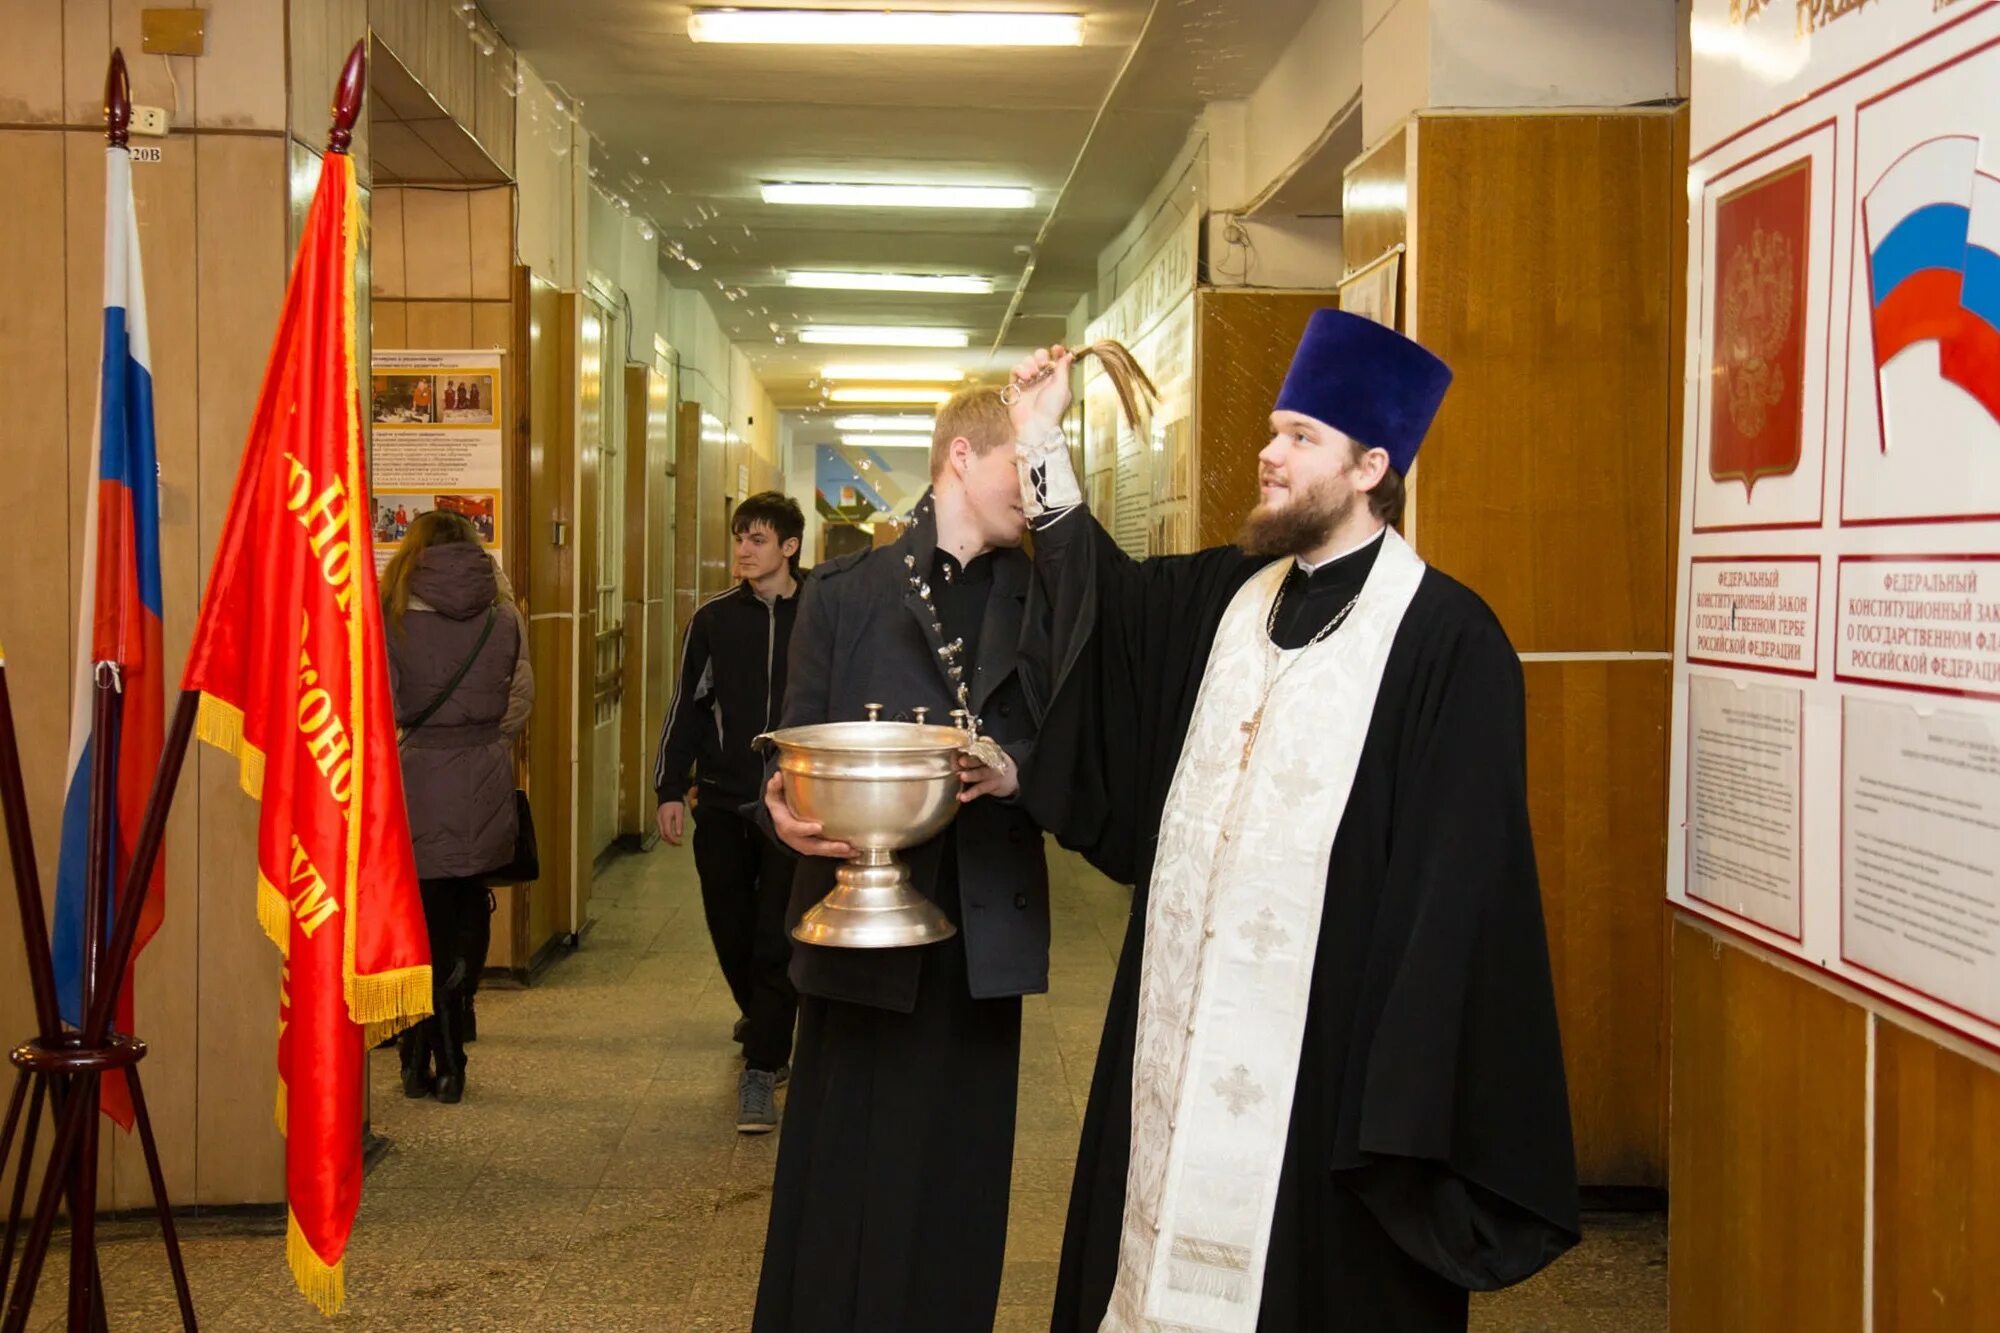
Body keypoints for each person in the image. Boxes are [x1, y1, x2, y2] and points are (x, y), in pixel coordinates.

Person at [1011, 311, 1579, 1332]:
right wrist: (1040, 440)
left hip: (1322, 1063)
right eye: (1274, 430)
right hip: (1176, 1027)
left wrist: (1397, 1088)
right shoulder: (1228, 596)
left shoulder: (1446, 640)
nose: (1267, 455)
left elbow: (1461, 893)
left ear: (1370, 467)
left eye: (1299, 437)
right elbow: (1105, 607)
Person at [752, 386, 1070, 1332]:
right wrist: (779, 809)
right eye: (1021, 463)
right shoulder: (844, 593)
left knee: (960, 1182)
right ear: (962, 457)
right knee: (845, 1171)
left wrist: (1015, 772)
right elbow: (790, 745)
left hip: (980, 937)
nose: (1035, 488)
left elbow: (1075, 752)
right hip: (856, 933)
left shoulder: (1049, 597)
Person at [652, 490, 807, 1134]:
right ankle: (765, 1015)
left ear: (789, 547)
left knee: (776, 935)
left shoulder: (819, 612)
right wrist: (668, 786)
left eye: (758, 539)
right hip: (721, 795)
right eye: (740, 537)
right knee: (729, 924)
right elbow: (686, 707)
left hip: (796, 800)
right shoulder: (712, 619)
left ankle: (762, 1063)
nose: (743, 549)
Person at [382, 510, 533, 1105]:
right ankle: (453, 1057)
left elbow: (381, 702)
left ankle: (417, 1053)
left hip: (415, 777)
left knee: (418, 917)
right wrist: (485, 741)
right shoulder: (504, 613)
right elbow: (519, 695)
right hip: (484, 775)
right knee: (469, 901)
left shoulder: (391, 613)